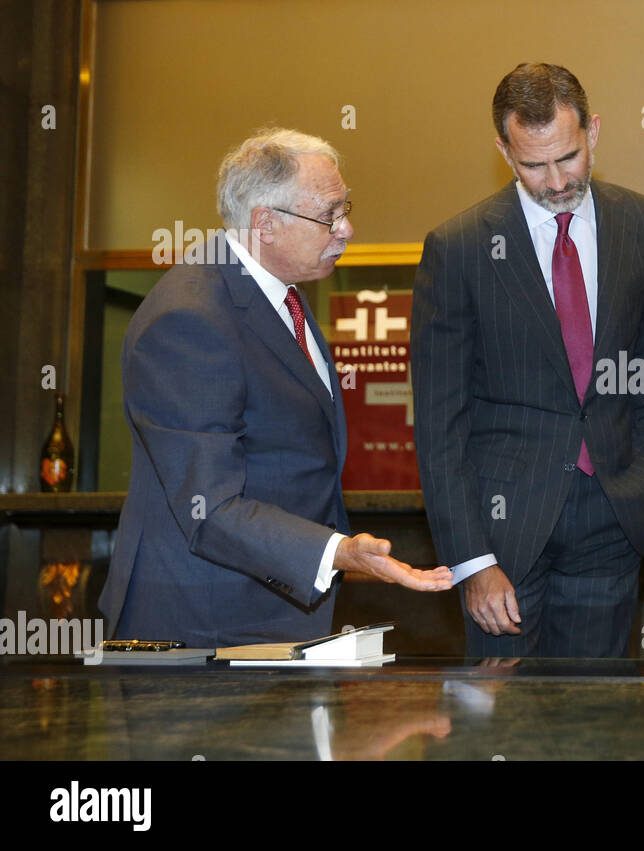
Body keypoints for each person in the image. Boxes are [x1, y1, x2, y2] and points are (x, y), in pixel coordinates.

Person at [99, 128, 452, 648]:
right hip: (201, 630)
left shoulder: (279, 293)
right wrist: (336, 552)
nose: (347, 228)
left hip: (270, 614)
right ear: (264, 223)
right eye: (329, 214)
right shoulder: (189, 318)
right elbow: (210, 508)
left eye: (345, 207)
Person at [412, 63, 644, 658]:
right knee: (501, 730)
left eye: (569, 157)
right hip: (501, 531)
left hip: (612, 514)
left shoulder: (643, 222)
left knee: (594, 722)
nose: (556, 181)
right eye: (533, 164)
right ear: (503, 151)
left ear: (594, 131)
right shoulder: (459, 248)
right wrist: (471, 561)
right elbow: (438, 420)